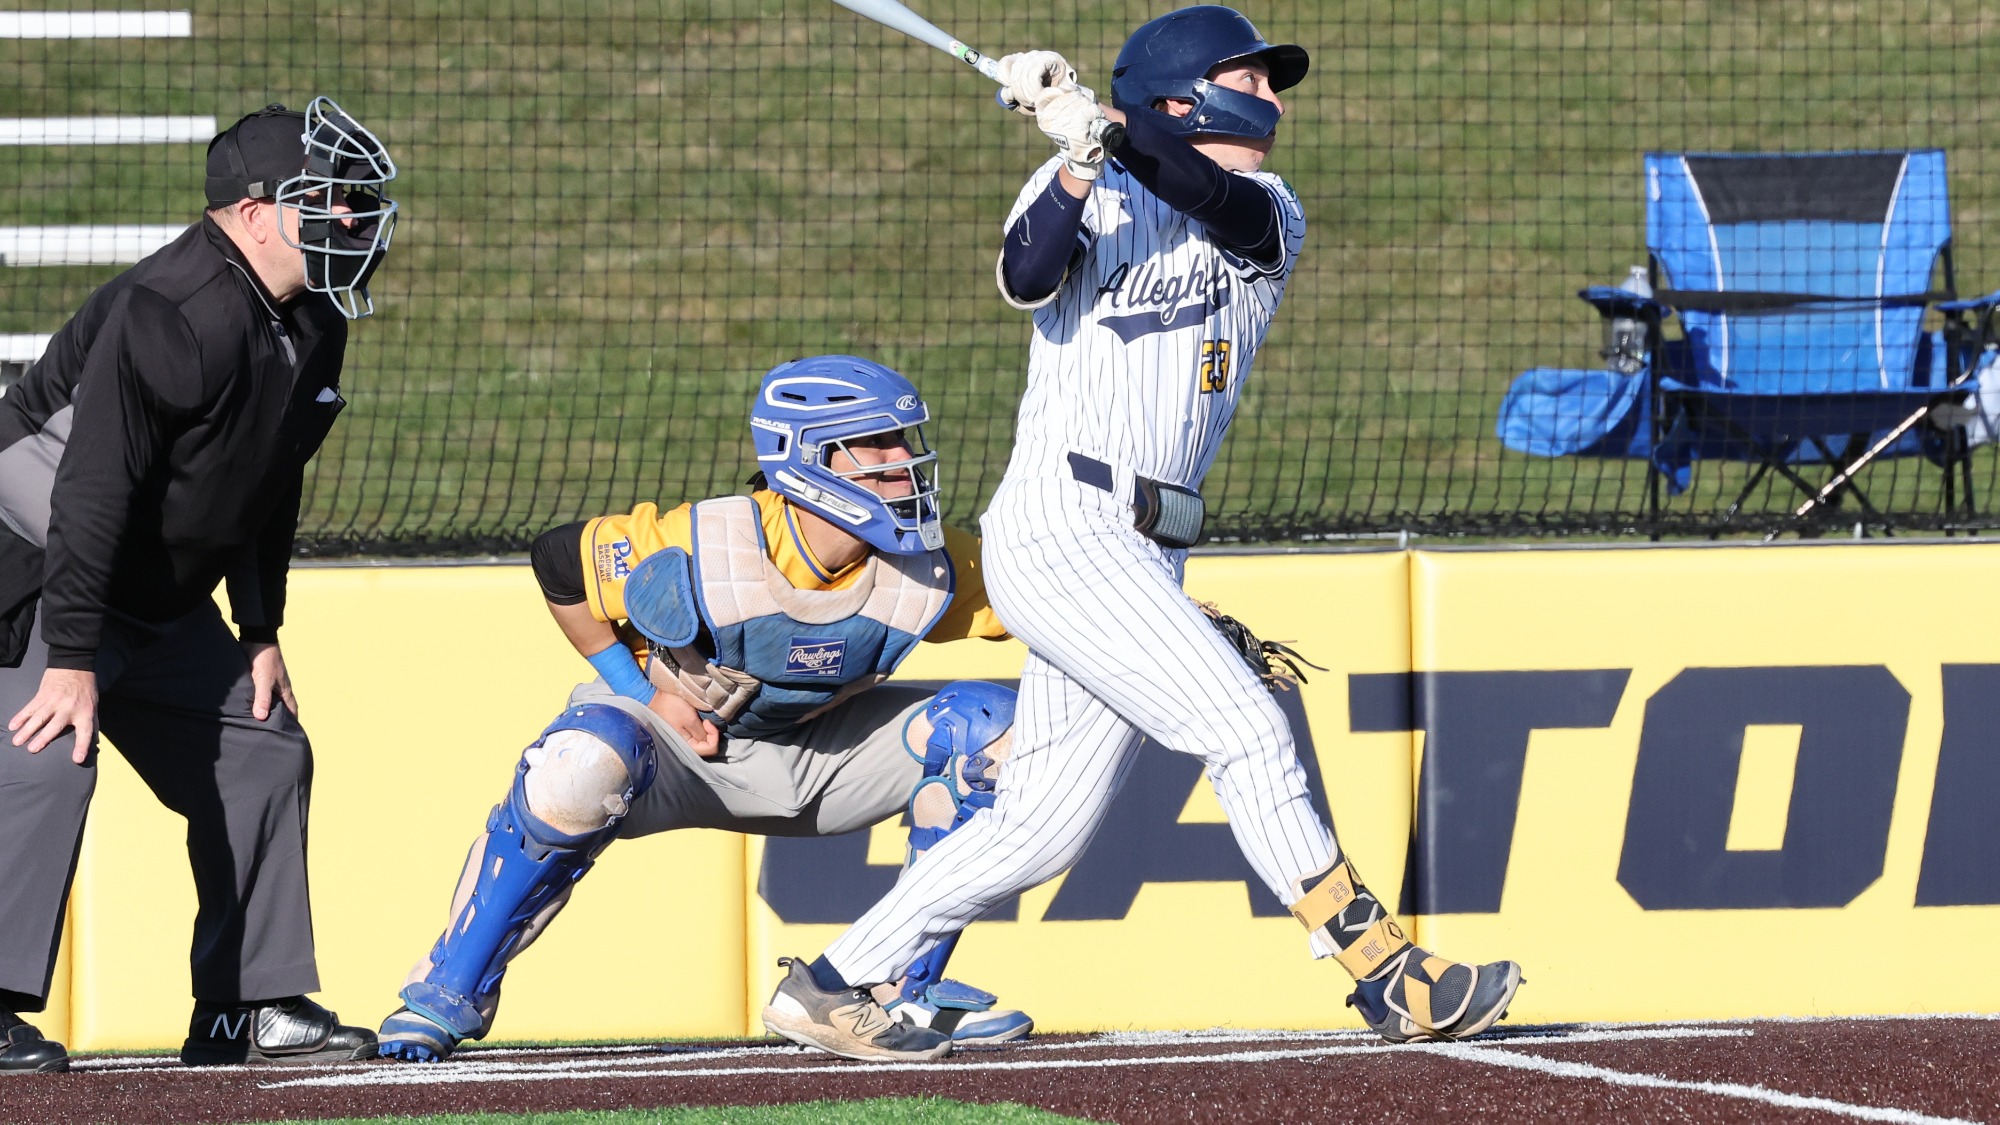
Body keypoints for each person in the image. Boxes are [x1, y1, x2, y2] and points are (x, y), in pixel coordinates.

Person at [765, 7, 1524, 1057]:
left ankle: (833, 981)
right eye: (1250, 80)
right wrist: (1078, 155)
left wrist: (1105, 124)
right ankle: (1383, 973)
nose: (1273, 98)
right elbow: (1025, 277)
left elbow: (1208, 199)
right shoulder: (1085, 177)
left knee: (1041, 827)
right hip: (1059, 523)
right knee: (1245, 727)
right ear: (1181, 94)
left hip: (1144, 544)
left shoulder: (1266, 206)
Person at [376, 355, 1029, 1065]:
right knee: (578, 763)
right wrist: (638, 691)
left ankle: (905, 992)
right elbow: (559, 562)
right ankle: (445, 990)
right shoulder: (707, 540)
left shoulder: (934, 562)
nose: (905, 459)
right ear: (810, 458)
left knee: (996, 729)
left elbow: (1051, 606)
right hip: (684, 749)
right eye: (878, 444)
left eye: (904, 439)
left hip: (822, 755)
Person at [0, 99, 399, 1073]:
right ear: (255, 213)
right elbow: (87, 495)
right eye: (331, 201)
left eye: (359, 202)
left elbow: (266, 478)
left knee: (262, 750)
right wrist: (77, 661)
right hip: (42, 576)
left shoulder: (311, 319)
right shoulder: (170, 311)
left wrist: (258, 627)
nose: (355, 221)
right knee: (50, 761)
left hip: (152, 590)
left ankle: (246, 1008)